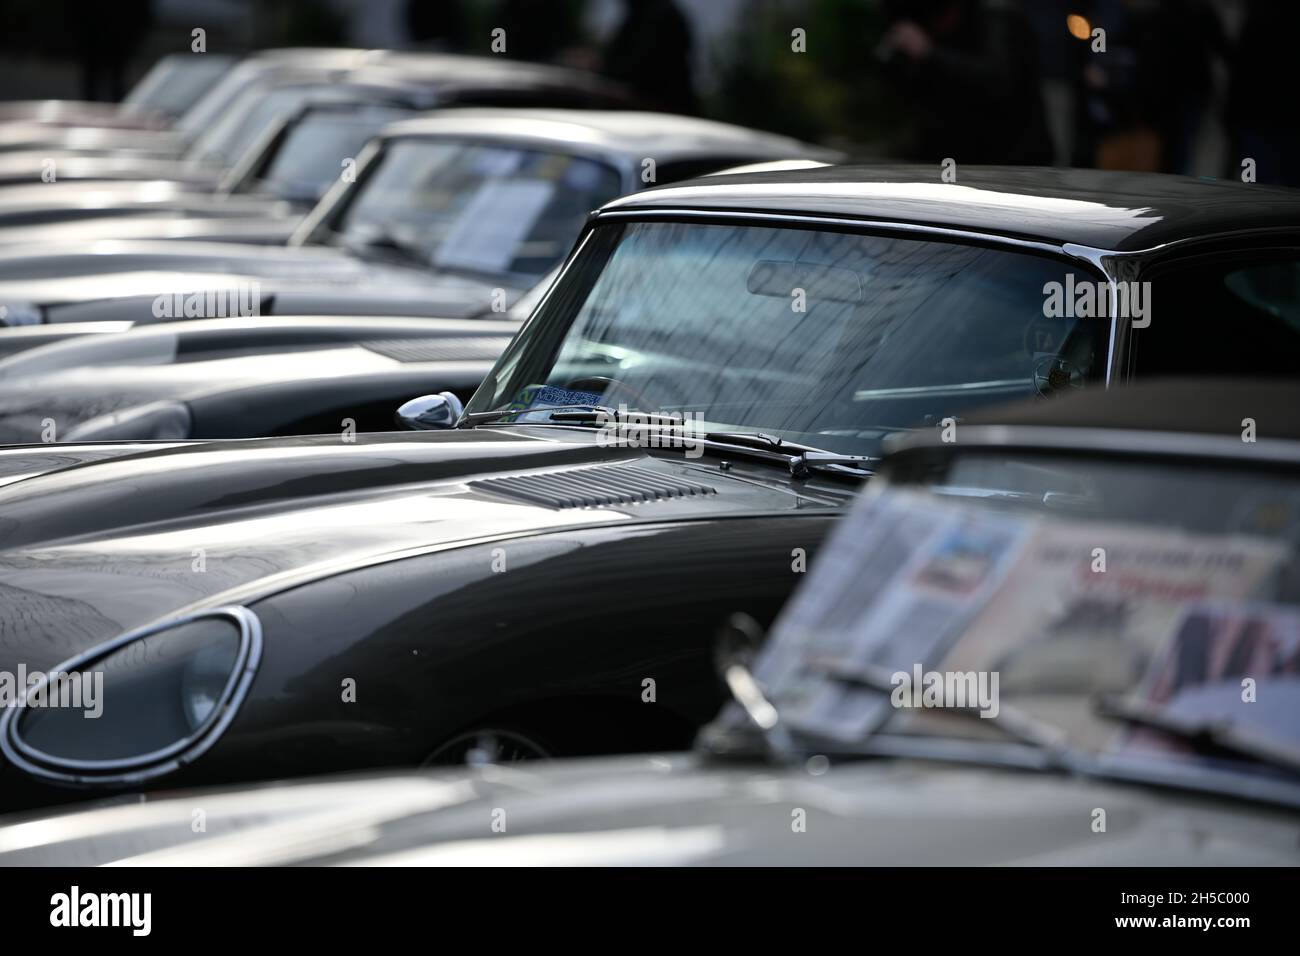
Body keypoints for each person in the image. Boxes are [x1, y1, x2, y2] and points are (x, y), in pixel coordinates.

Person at [879, 0, 1053, 165]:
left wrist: (929, 53)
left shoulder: (995, 14)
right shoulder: (922, 14)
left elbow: (998, 79)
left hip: (1008, 156)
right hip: (955, 153)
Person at [601, 0, 698, 115]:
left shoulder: (659, 15)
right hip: (646, 107)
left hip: (657, 110)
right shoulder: (641, 14)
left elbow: (639, 69)